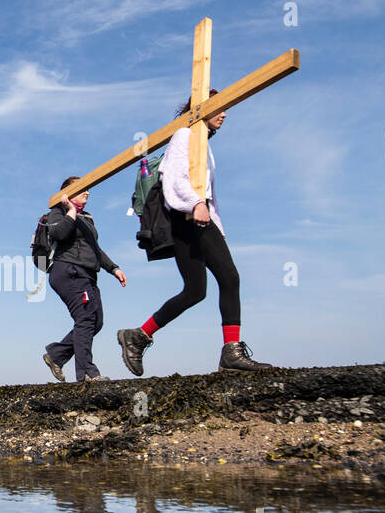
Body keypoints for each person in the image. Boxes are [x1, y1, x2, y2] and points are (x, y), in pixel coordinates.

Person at [117, 93, 273, 376]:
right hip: (186, 217)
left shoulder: (204, 147)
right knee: (229, 278)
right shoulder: (184, 135)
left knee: (195, 291)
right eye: (220, 108)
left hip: (199, 217)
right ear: (202, 108)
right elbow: (173, 179)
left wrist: (218, 228)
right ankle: (231, 352)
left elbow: (211, 196)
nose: (224, 114)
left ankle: (138, 336)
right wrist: (196, 204)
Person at [41, 179, 127, 383]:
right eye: (83, 189)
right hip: (68, 271)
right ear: (69, 192)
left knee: (96, 321)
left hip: (87, 274)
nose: (88, 192)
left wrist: (113, 268)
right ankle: (87, 373)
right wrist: (69, 210)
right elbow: (59, 233)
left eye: (89, 189)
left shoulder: (87, 217)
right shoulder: (58, 211)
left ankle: (56, 355)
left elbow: (94, 248)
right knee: (86, 319)